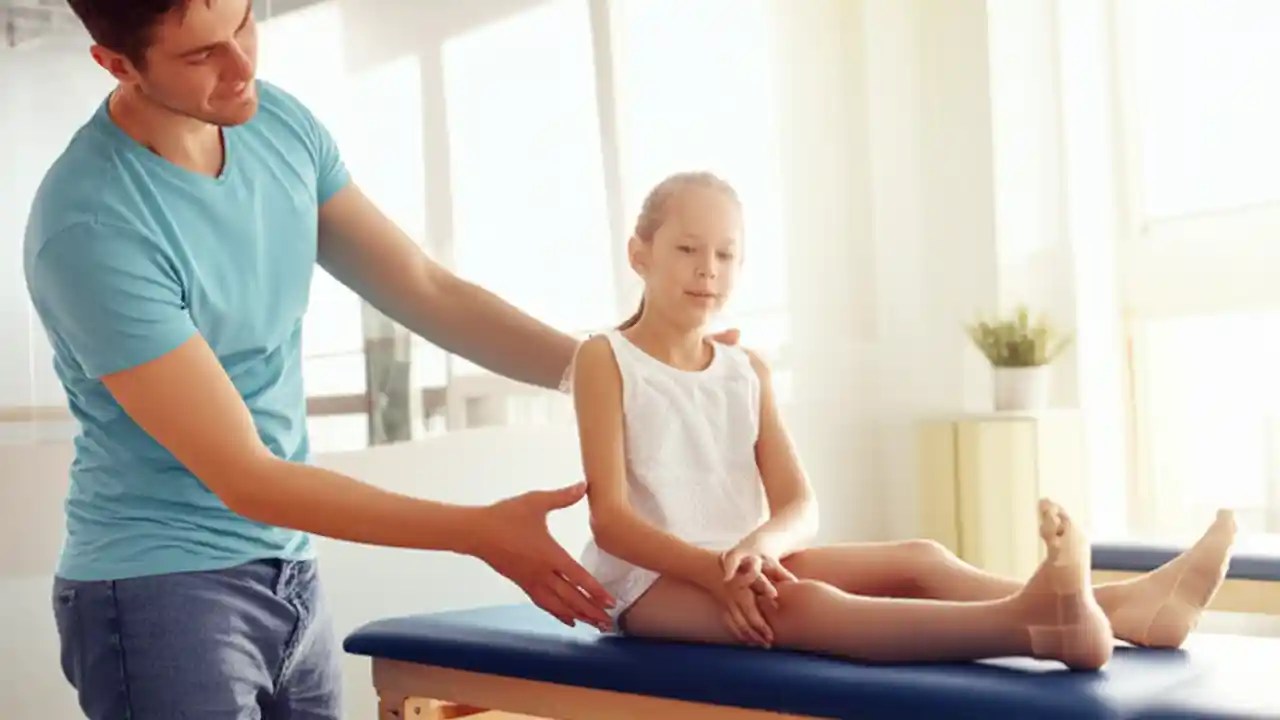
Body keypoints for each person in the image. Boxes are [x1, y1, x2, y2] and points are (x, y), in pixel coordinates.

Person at [23, 2, 734, 718]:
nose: (244, 67)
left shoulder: (279, 127)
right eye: (202, 54)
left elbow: (425, 290)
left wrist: (623, 373)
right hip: (160, 586)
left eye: (243, 23)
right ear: (118, 66)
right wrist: (477, 530)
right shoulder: (93, 224)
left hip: (290, 571)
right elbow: (246, 477)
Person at [570, 170, 1239, 670]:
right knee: (803, 606)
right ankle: (1030, 626)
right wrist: (716, 570)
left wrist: (758, 550)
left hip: (747, 562)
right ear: (640, 254)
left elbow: (799, 504)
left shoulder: (747, 370)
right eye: (688, 250)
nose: (708, 271)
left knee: (921, 558)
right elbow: (612, 522)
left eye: (726, 255)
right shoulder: (607, 359)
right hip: (648, 582)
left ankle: (1130, 609)